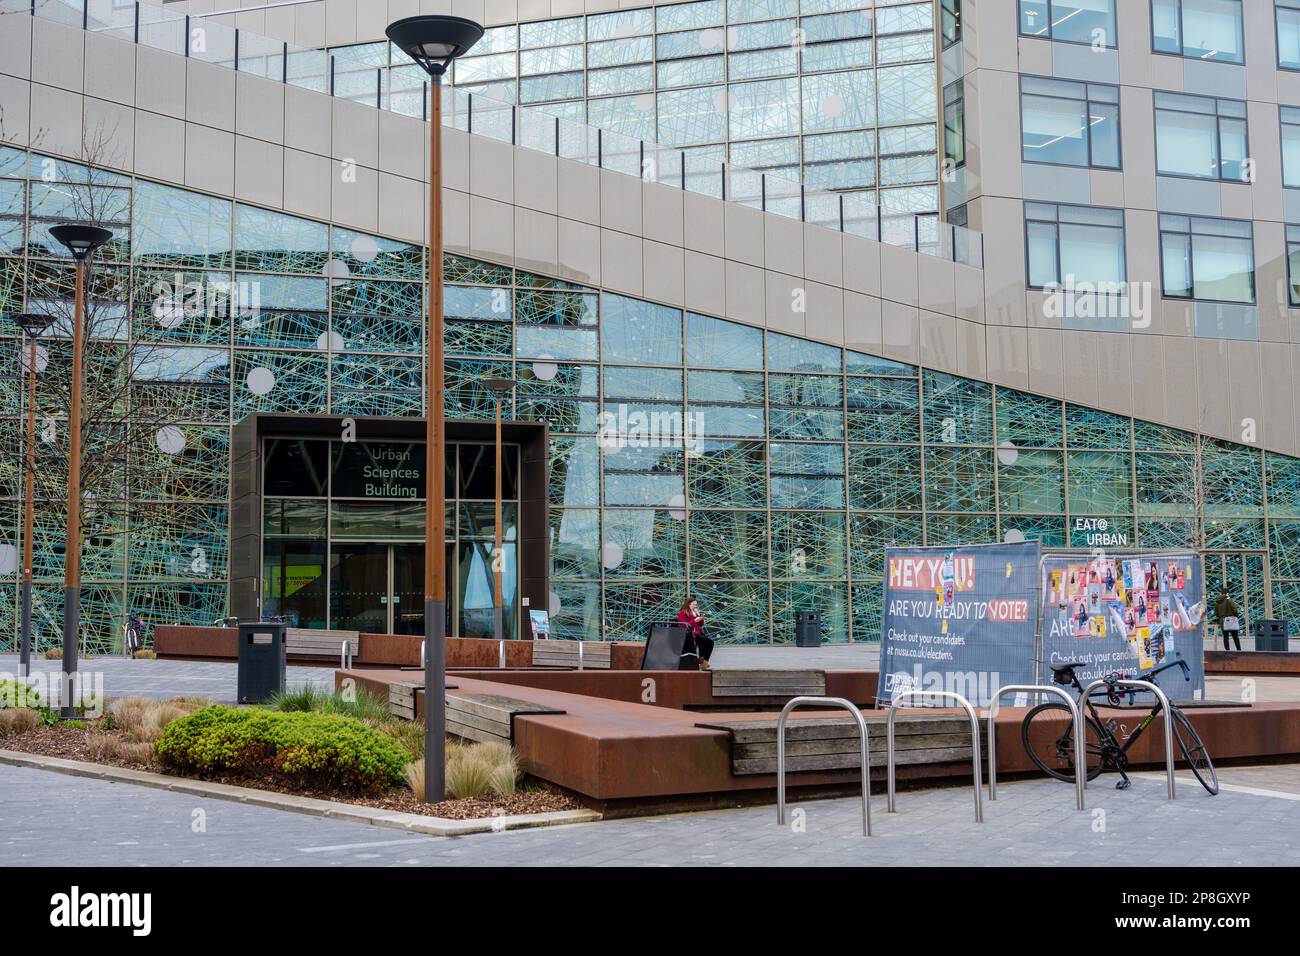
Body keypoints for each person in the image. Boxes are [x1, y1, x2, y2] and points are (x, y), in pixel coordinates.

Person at [677, 597, 714, 671]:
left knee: (708, 642)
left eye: (696, 604)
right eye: (694, 604)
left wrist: (699, 615)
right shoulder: (683, 612)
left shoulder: (695, 612)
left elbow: (701, 624)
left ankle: (702, 660)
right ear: (688, 604)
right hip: (690, 635)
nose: (695, 606)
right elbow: (683, 625)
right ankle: (704, 662)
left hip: (697, 633)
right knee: (708, 642)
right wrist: (695, 621)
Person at [1214, 587, 1241, 652]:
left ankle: (1227, 650)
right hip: (1231, 620)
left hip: (1223, 621)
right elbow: (1235, 609)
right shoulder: (1229, 600)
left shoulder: (1217, 601)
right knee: (1235, 636)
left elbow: (1216, 613)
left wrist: (1220, 617)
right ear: (1227, 593)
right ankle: (1239, 650)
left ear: (1221, 593)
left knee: (1225, 637)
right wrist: (1236, 616)